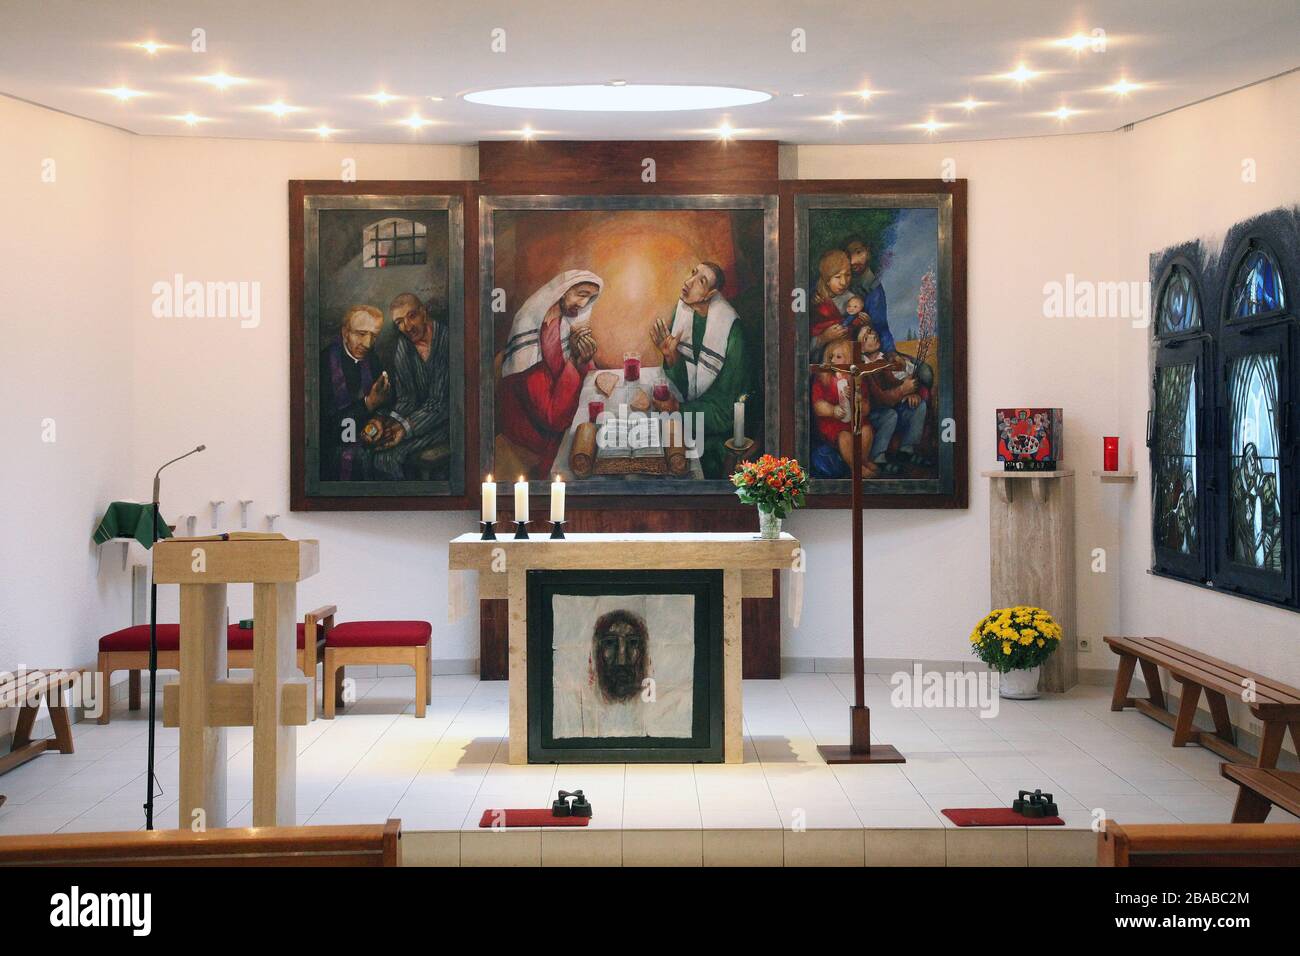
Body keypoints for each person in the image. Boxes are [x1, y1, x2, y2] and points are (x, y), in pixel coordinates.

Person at [498, 270, 603, 476]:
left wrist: (584, 359)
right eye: (581, 294)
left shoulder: (563, 322)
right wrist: (575, 360)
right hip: (531, 428)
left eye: (589, 298)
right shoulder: (529, 326)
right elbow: (552, 418)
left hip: (558, 407)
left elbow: (585, 377)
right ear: (562, 292)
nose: (583, 304)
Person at [649, 261, 746, 479]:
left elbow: (726, 413)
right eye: (693, 273)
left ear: (710, 294)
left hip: (714, 438)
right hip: (684, 414)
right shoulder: (684, 309)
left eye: (700, 281)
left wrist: (678, 410)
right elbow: (687, 383)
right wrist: (671, 356)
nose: (688, 282)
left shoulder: (732, 332)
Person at [365, 292, 451, 479]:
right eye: (400, 322)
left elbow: (440, 403)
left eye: (412, 316)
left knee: (390, 457)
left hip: (449, 424)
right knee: (380, 454)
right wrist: (388, 422)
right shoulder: (404, 345)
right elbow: (407, 398)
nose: (407, 327)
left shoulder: (447, 341)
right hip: (417, 422)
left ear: (424, 312)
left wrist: (404, 428)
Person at [318, 304, 391, 481]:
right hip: (331, 450)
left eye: (373, 336)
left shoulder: (371, 357)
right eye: (361, 334)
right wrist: (368, 404)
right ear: (345, 332)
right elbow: (327, 424)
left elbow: (388, 399)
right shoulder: (324, 363)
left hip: (367, 441)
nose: (367, 344)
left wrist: (377, 420)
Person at [858, 325, 930, 473]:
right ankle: (878, 457)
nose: (872, 336)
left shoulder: (883, 359)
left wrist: (908, 393)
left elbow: (892, 382)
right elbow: (880, 397)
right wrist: (902, 390)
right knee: (890, 415)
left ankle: (907, 450)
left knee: (918, 406)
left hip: (891, 404)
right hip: (874, 411)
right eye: (866, 338)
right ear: (862, 349)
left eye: (871, 331)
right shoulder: (863, 368)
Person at [810, 338, 876, 478]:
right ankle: (855, 468)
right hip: (834, 423)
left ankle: (862, 461)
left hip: (855, 421)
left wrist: (854, 396)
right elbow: (818, 405)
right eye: (830, 357)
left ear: (849, 359)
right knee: (844, 437)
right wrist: (832, 410)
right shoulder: (823, 378)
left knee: (866, 430)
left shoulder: (857, 379)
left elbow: (866, 407)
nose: (833, 360)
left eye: (838, 357)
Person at [840, 237, 896, 357]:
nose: (853, 261)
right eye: (848, 256)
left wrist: (891, 352)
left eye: (859, 252)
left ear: (868, 251)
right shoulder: (841, 282)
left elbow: (882, 327)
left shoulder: (874, 289)